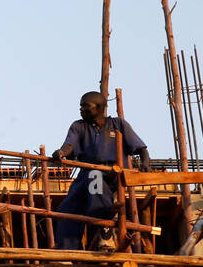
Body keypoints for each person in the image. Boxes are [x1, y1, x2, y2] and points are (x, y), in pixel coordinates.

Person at [50, 91, 150, 252]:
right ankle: (68, 250)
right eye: (80, 106)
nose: (81, 109)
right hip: (86, 175)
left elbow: (141, 148)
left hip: (113, 176)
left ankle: (105, 222)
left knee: (95, 179)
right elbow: (69, 145)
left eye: (85, 106)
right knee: (67, 209)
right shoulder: (78, 126)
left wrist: (146, 163)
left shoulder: (118, 124)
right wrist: (61, 153)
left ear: (100, 107)